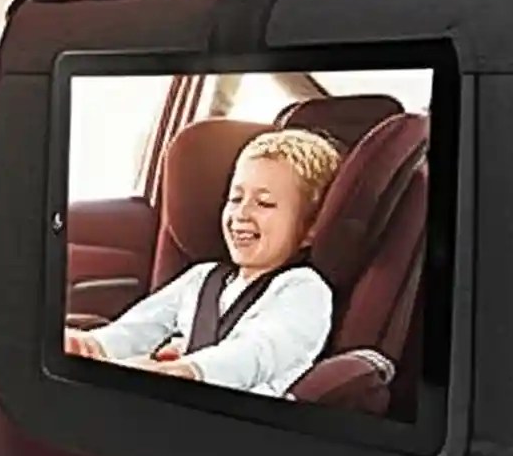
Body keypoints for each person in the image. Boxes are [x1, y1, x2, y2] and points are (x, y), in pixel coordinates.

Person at [64, 127, 342, 398]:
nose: (241, 213)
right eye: (235, 198)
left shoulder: (304, 290)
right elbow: (138, 328)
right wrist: (88, 346)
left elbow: (255, 354)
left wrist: (185, 371)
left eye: (265, 203)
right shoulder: (203, 277)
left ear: (311, 227)